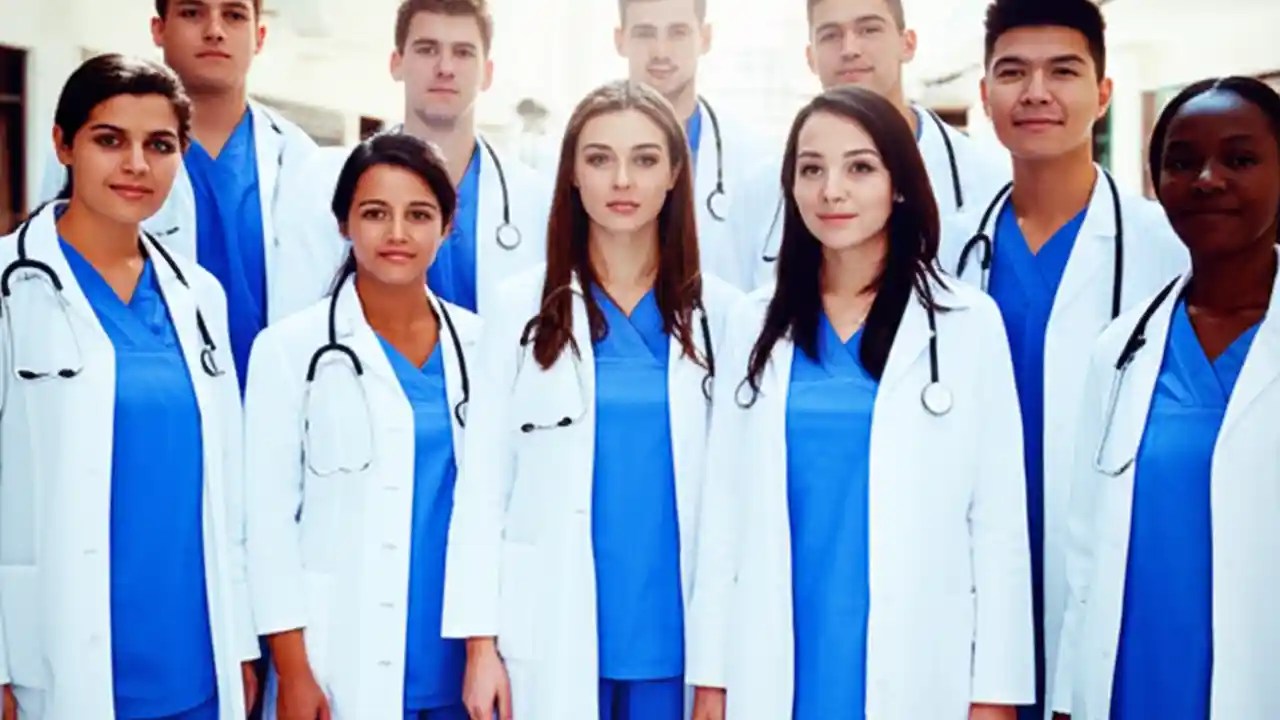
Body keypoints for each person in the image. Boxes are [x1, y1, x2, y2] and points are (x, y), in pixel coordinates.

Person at [686, 85, 1033, 720]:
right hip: (780, 649)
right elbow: (724, 517)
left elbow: (998, 524)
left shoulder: (965, 323)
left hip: (920, 654)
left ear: (899, 183)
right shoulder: (753, 321)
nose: (831, 190)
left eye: (860, 167)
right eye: (811, 169)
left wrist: (996, 694)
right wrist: (712, 677)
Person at [440, 80, 742, 719]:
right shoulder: (520, 306)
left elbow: (738, 507)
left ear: (674, 176)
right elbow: (483, 486)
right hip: (550, 628)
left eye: (645, 159)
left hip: (679, 634)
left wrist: (723, 664)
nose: (622, 179)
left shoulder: (725, 316)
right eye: (600, 158)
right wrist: (479, 646)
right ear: (573, 174)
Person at [937, 3, 1191, 717]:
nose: (1036, 92)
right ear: (984, 96)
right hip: (976, 560)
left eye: (1063, 71)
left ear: (1104, 93)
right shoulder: (949, 252)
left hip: (1110, 562)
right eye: (1012, 72)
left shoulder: (1164, 249)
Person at [0, 54, 256, 720]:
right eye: (110, 140)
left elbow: (225, 486)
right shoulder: (10, 288)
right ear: (63, 144)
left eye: (160, 145)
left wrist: (240, 644)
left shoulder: (199, 296)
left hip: (196, 659)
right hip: (57, 660)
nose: (136, 164)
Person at [1053, 76, 1280, 720]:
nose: (1207, 179)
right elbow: (1087, 549)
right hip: (1135, 681)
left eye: (1240, 159)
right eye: (1182, 162)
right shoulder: (1121, 349)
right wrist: (1072, 697)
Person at [244, 132, 481, 720]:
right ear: (344, 223)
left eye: (419, 214)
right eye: (375, 213)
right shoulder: (288, 351)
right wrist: (293, 670)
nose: (397, 233)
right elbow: (268, 525)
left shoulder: (484, 348)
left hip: (457, 660)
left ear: (446, 227)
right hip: (339, 657)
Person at [39, 0, 325, 390]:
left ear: (260, 36)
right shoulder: (91, 149)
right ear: (158, 29)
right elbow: (47, 265)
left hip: (273, 406)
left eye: (234, 15)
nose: (214, 30)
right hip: (134, 395)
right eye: (192, 13)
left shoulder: (303, 162)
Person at [291, 0, 549, 316]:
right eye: (427, 49)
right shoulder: (327, 183)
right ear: (396, 63)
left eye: (463, 52)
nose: (445, 68)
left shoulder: (535, 201)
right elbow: (298, 321)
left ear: (487, 73)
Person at [735, 0, 1012, 288]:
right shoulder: (758, 192)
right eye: (831, 35)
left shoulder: (985, 180)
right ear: (811, 57)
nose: (849, 49)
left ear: (908, 44)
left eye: (869, 29)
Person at [615, 0, 774, 290]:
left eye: (678, 33)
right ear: (620, 40)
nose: (661, 52)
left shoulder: (756, 159)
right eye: (645, 33)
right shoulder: (568, 156)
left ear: (705, 38)